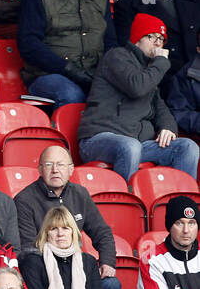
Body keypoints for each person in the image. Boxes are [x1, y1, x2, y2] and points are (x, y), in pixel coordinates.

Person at [79, 13, 200, 182]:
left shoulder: (150, 71)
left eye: (162, 39)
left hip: (137, 143)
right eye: (152, 37)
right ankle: (127, 204)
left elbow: (160, 107)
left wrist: (168, 127)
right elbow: (137, 87)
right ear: (138, 38)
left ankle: (183, 205)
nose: (158, 43)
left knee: (187, 147)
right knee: (130, 146)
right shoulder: (117, 56)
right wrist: (161, 62)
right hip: (99, 140)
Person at [17, 0, 116, 109]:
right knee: (72, 94)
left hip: (94, 72)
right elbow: (29, 44)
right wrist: (68, 69)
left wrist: (104, 74)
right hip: (48, 74)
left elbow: (111, 43)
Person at [14, 145, 120, 289]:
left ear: (71, 169)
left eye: (61, 164)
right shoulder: (24, 200)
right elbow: (29, 250)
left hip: (76, 269)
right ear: (40, 169)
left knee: (111, 284)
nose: (55, 170)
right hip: (46, 275)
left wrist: (107, 262)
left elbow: (101, 232)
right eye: (49, 165)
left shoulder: (80, 194)